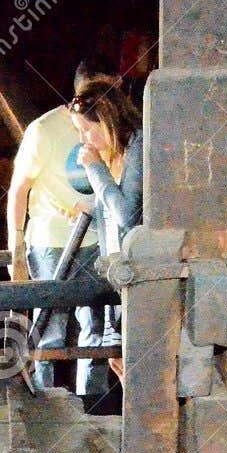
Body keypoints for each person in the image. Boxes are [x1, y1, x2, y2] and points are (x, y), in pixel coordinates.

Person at [7, 67, 100, 390]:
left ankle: (93, 404)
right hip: (51, 243)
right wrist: (16, 247)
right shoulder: (45, 130)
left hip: (98, 242)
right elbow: (19, 188)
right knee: (51, 330)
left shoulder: (113, 127)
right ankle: (46, 403)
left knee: (97, 329)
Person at [69, 75, 143, 395]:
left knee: (142, 364)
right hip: (119, 279)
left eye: (87, 129)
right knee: (122, 363)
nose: (84, 139)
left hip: (143, 274)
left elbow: (128, 214)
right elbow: (110, 221)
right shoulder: (113, 155)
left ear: (108, 119)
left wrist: (95, 169)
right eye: (79, 132)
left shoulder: (139, 148)